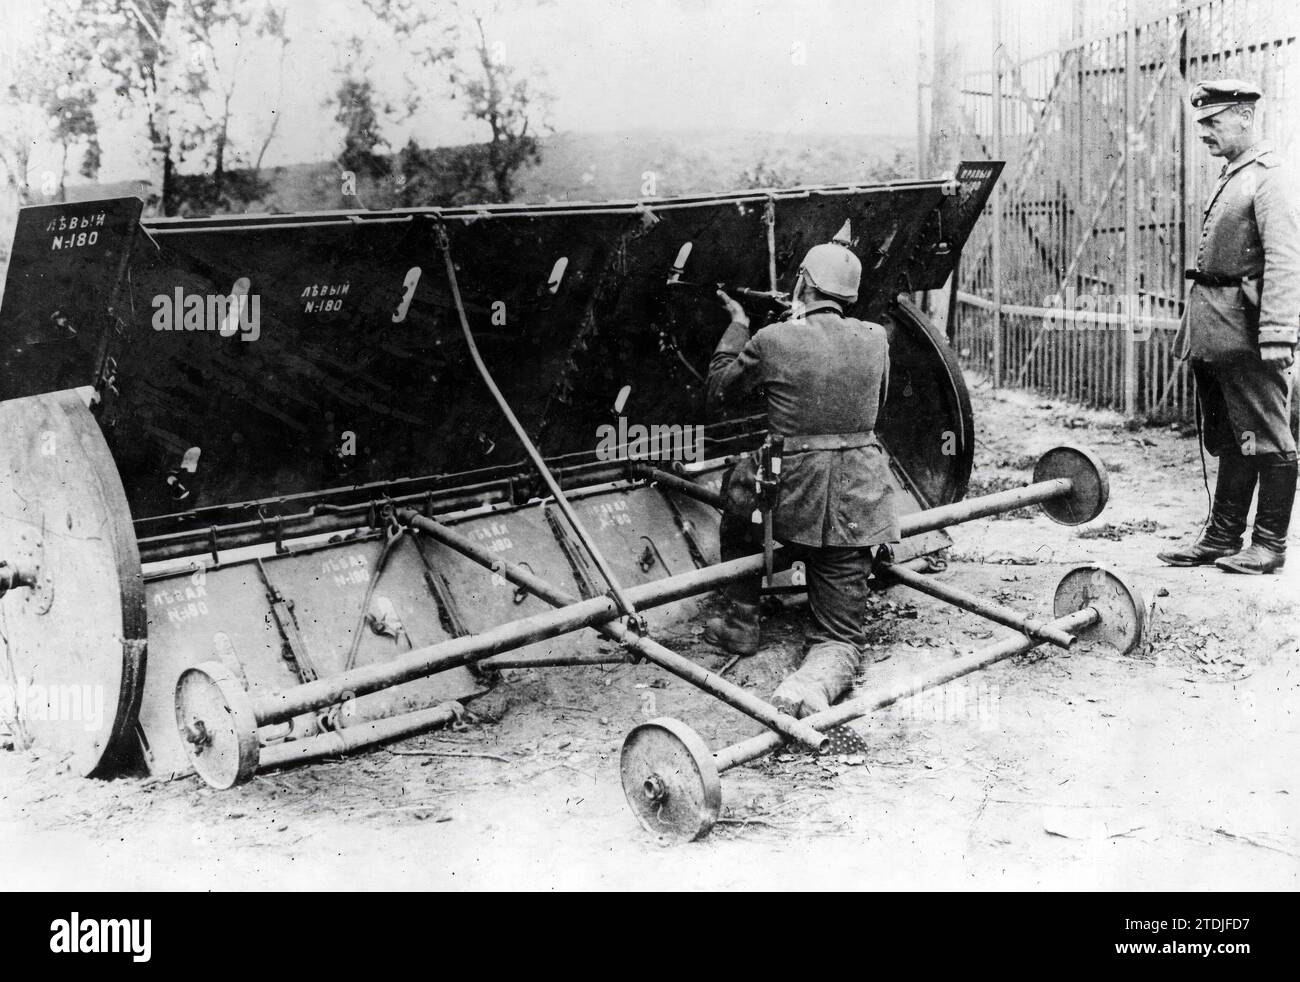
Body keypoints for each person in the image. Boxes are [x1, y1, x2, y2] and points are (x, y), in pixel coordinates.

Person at [703, 226, 898, 718]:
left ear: (803, 284)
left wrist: (739, 325)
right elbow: (876, 406)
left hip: (787, 499)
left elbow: (719, 392)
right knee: (839, 637)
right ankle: (815, 682)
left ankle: (742, 618)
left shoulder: (772, 339)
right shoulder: (875, 339)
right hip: (858, 501)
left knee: (738, 486)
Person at [1158, 79, 1300, 575]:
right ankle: (1221, 537)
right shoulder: (1234, 174)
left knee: (1268, 435)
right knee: (1231, 436)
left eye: (1213, 121)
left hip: (1250, 333)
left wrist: (1279, 332)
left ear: (1243, 115)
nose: (1203, 132)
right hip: (1217, 331)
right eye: (1201, 122)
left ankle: (1269, 545)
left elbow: (1285, 259)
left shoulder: (1270, 176)